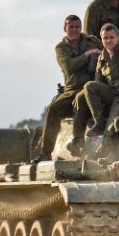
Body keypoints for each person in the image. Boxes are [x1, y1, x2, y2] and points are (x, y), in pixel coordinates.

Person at [36, 15, 102, 161]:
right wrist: (87, 54)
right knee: (54, 109)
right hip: (73, 88)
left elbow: (109, 50)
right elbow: (69, 66)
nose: (74, 30)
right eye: (71, 27)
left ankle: (82, 143)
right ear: (65, 28)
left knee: (83, 103)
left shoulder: (93, 41)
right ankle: (46, 152)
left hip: (95, 87)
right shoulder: (61, 48)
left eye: (77, 27)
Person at [77, 23, 119, 147]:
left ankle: (106, 153)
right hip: (112, 93)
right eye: (105, 38)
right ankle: (99, 122)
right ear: (101, 39)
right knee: (89, 86)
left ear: (117, 37)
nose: (108, 40)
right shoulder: (102, 58)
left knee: (111, 127)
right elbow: (99, 81)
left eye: (111, 37)